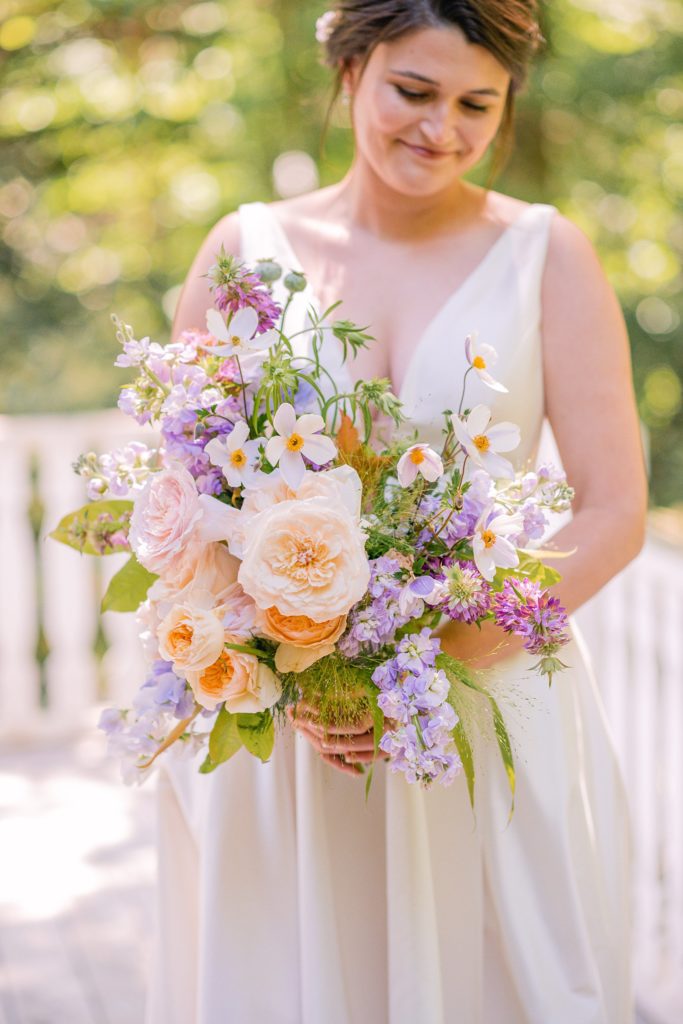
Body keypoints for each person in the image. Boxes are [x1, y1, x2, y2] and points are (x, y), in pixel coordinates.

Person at [144, 2, 648, 1022]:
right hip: (290, 721)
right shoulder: (243, 251)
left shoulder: (547, 257)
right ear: (349, 67)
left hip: (485, 704)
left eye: (476, 104)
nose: (441, 130)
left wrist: (448, 652)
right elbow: (182, 500)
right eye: (412, 93)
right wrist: (297, 670)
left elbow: (611, 512)